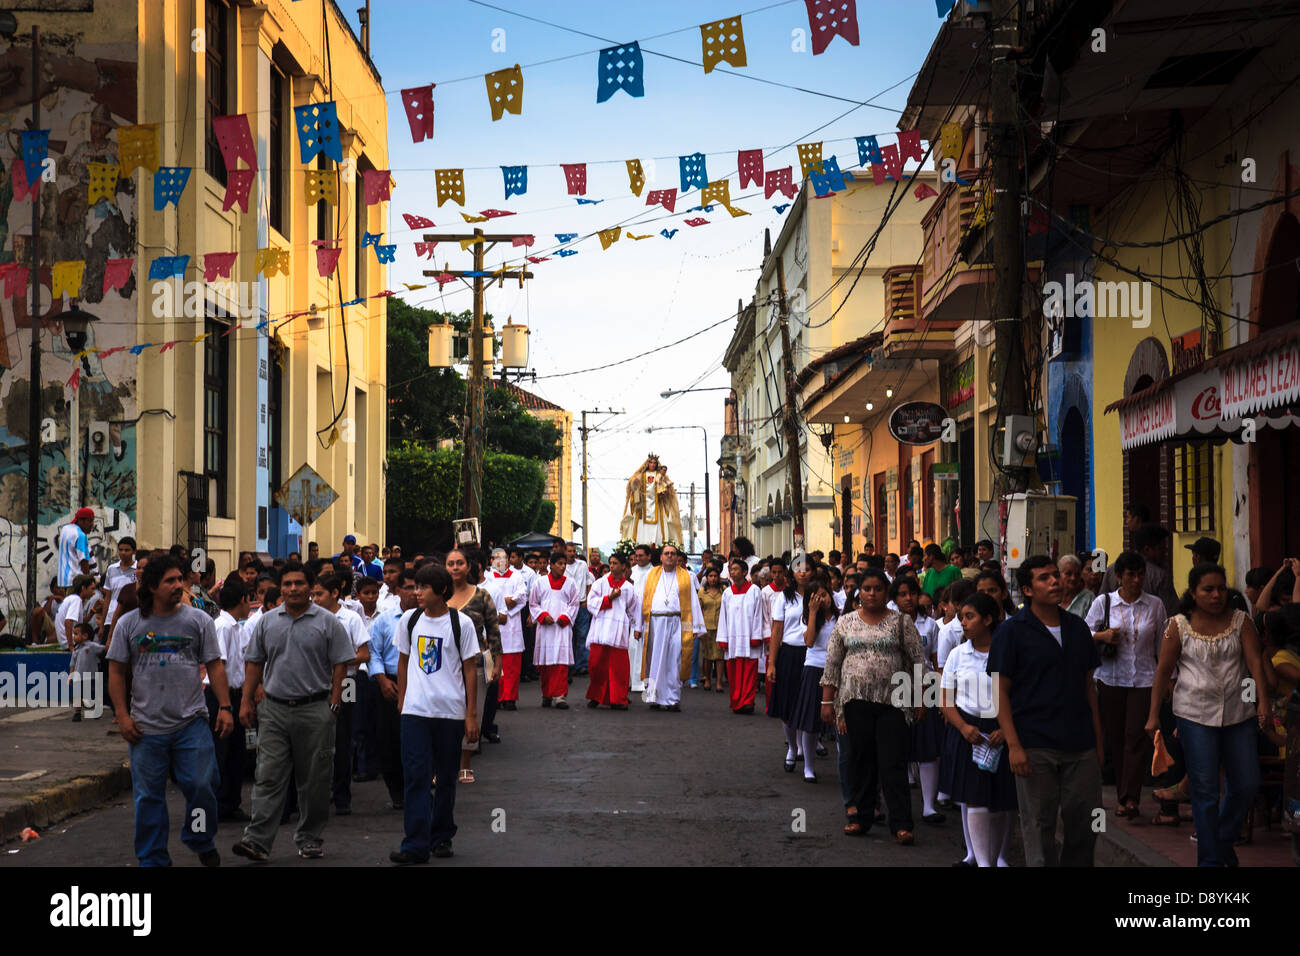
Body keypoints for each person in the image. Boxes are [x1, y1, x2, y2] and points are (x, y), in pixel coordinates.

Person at [107, 555, 232, 867]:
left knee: (202, 786)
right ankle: (152, 859)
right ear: (152, 587)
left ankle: (200, 837)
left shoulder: (198, 621)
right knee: (148, 798)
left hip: (191, 722)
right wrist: (122, 716)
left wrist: (225, 707)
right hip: (145, 729)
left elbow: (215, 665)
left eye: (180, 579)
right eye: (171, 581)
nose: (180, 585)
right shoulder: (129, 624)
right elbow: (117, 673)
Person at [1145, 564, 1270, 867]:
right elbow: (1163, 672)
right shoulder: (1178, 625)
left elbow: (1254, 662)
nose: (1216, 595)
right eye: (1208, 590)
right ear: (1193, 593)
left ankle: (1221, 842)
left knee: (1247, 784)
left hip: (1239, 714)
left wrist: (1263, 702)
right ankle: (1211, 862)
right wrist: (1153, 716)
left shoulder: (1241, 621)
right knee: (1205, 790)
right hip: (1194, 716)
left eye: (1221, 588)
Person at [232, 562, 354, 862]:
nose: (293, 589)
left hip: (315, 709)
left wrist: (335, 702)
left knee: (314, 779)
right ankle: (257, 840)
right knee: (268, 776)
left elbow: (342, 662)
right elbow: (254, 664)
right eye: (287, 584)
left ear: (310, 588)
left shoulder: (328, 622)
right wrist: (247, 701)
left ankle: (310, 837)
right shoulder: (266, 622)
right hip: (273, 709)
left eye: (299, 583)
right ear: (281, 587)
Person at [988, 555, 1103, 867]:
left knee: (1089, 822)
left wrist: (1098, 743)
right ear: (1027, 589)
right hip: (1034, 743)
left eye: (1056, 575)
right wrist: (1013, 746)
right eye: (1044, 578)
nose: (1054, 581)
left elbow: (1088, 688)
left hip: (1080, 743)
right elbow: (1000, 692)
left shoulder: (1078, 629)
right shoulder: (1011, 632)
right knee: (1039, 827)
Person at [820, 567, 924, 844]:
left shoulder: (901, 622)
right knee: (861, 761)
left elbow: (918, 661)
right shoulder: (846, 623)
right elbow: (832, 664)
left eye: (878, 588)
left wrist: (924, 698)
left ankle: (901, 823)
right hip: (855, 702)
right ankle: (862, 818)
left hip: (894, 703)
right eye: (867, 588)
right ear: (859, 593)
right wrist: (827, 701)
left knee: (893, 763)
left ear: (886, 592)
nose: (872, 593)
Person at [390, 562, 480, 864]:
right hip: (415, 712)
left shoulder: (461, 624)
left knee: (446, 779)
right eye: (415, 587)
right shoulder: (409, 620)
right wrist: (403, 700)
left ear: (441, 591)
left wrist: (471, 714)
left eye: (422, 588)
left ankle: (441, 836)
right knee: (415, 777)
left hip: (450, 714)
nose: (416, 593)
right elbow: (403, 661)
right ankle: (415, 844)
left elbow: (470, 669)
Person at [1085, 550, 1166, 821]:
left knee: (1136, 736)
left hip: (1144, 678)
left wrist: (1169, 679)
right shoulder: (1103, 602)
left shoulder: (1155, 605)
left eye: (1140, 574)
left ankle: (1130, 798)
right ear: (1119, 577)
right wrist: (1103, 635)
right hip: (1110, 677)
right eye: (1130, 574)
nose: (1136, 579)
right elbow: (1084, 634)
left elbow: (1161, 647)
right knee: (1116, 737)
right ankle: (1122, 793)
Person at [940, 592, 1018, 867]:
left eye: (969, 617)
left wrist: (1006, 731)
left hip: (1003, 728)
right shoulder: (958, 655)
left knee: (1002, 802)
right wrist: (963, 727)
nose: (963, 622)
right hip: (969, 730)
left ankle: (1001, 857)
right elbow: (946, 699)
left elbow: (1019, 695)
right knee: (975, 799)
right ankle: (983, 861)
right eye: (962, 617)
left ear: (988, 619)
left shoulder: (1007, 652)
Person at [310, 572, 370, 815]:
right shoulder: (311, 618)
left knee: (342, 738)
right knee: (316, 741)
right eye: (313, 594)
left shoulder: (351, 618)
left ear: (335, 593)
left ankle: (342, 795)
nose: (314, 599)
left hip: (347, 684)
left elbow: (364, 654)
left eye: (319, 594)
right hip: (317, 685)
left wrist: (339, 663)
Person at [446, 549, 501, 782]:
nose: (455, 567)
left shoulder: (482, 596)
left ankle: (465, 763)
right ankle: (443, 765)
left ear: (469, 567)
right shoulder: (438, 595)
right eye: (451, 563)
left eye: (460, 563)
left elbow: (494, 632)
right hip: (444, 665)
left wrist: (497, 663)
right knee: (446, 715)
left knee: (471, 711)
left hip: (476, 663)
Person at [633, 543, 705, 713]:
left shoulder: (686, 576)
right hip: (655, 624)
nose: (670, 556)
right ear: (661, 557)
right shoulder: (651, 575)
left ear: (677, 557)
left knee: (674, 661)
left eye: (673, 553)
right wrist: (638, 625)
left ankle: (672, 699)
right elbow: (642, 601)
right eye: (667, 553)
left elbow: (693, 602)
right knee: (655, 660)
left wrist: (696, 627)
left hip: (677, 624)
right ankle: (654, 697)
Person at [368, 568, 418, 810]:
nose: (414, 593)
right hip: (390, 683)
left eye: (418, 587)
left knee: (417, 739)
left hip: (420, 684)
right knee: (388, 740)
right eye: (409, 587)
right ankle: (397, 790)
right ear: (398, 591)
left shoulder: (429, 619)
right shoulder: (385, 621)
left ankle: (417, 787)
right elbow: (373, 653)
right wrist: (382, 680)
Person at [209, 579, 252, 822]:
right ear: (243, 600)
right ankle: (216, 803)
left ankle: (231, 802)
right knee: (220, 752)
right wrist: (224, 705)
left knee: (237, 752)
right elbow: (220, 666)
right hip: (220, 696)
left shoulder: (238, 627)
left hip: (235, 693)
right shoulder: (223, 627)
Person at [791, 580, 837, 782]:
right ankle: (808, 767)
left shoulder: (841, 616)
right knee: (811, 722)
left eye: (824, 595)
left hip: (837, 671)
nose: (822, 600)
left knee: (839, 720)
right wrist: (812, 613)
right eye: (816, 596)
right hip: (814, 668)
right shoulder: (807, 618)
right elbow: (809, 641)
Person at [768, 558, 812, 763]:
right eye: (798, 570)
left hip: (812, 653)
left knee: (807, 702)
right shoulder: (785, 597)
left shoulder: (818, 596)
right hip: (789, 653)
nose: (803, 573)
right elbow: (777, 629)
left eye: (807, 569)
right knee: (787, 704)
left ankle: (805, 746)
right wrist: (772, 662)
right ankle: (792, 747)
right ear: (791, 573)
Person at [585, 551, 638, 710]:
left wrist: (637, 627)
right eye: (611, 563)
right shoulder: (600, 583)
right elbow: (590, 603)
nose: (613, 566)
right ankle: (596, 696)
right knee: (596, 666)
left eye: (616, 563)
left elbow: (633, 610)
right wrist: (609, 598)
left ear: (623, 566)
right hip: (600, 630)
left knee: (618, 668)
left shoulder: (629, 588)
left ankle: (618, 698)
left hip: (618, 631)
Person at [530, 551, 581, 709]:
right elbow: (533, 603)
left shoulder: (570, 583)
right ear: (551, 565)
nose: (563, 566)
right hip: (545, 628)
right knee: (546, 662)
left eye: (564, 564)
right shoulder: (540, 582)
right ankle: (546, 694)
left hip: (562, 627)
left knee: (561, 661)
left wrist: (566, 617)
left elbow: (574, 603)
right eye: (559, 563)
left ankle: (560, 696)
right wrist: (542, 615)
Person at [717, 557, 766, 714]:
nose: (732, 572)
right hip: (732, 638)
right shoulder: (727, 593)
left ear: (745, 572)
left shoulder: (754, 591)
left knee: (749, 673)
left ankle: (748, 702)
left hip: (749, 638)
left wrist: (756, 636)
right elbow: (723, 617)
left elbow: (759, 615)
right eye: (731, 569)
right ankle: (736, 702)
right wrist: (723, 639)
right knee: (733, 673)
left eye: (736, 569)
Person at [483, 548, 528, 711]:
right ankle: (496, 697)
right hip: (493, 623)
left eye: (503, 558)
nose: (500, 561)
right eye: (496, 558)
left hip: (512, 624)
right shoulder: (488, 578)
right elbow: (486, 599)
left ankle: (510, 698)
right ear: (492, 561)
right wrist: (504, 603)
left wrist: (506, 607)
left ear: (508, 560)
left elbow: (522, 596)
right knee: (494, 663)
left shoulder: (517, 576)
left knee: (512, 666)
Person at [1102, 523, 1178, 614]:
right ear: (1147, 549)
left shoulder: (1112, 568)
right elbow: (1172, 613)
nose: (1165, 553)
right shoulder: (1160, 576)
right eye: (1161, 548)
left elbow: (1102, 604)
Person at [68, 621, 106, 721]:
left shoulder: (92, 646)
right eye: (73, 634)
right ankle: (77, 712)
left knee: (94, 694)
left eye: (76, 634)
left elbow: (104, 649)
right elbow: (72, 663)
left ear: (85, 636)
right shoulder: (75, 650)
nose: (73, 636)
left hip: (92, 676)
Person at [697, 566, 725, 692]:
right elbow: (698, 610)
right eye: (710, 576)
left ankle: (719, 681)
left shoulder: (724, 591)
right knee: (707, 655)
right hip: (706, 626)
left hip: (721, 626)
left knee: (720, 656)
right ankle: (707, 678)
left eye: (715, 576)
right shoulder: (702, 591)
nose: (713, 579)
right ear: (707, 578)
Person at [56, 574, 98, 649]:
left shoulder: (71, 598)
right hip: (70, 643)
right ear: (83, 588)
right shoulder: (76, 600)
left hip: (64, 642)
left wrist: (92, 612)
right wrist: (71, 646)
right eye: (92, 589)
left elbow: (80, 622)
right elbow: (68, 622)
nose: (94, 592)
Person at [58, 507, 95, 588]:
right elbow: (84, 563)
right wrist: (89, 583)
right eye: (90, 521)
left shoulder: (65, 529)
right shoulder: (80, 535)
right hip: (75, 582)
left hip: (63, 581)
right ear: (80, 521)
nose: (92, 524)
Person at [1058, 553, 1094, 618]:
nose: (1073, 578)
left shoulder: (1088, 598)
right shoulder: (1052, 596)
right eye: (1068, 574)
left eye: (1077, 574)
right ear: (1059, 574)